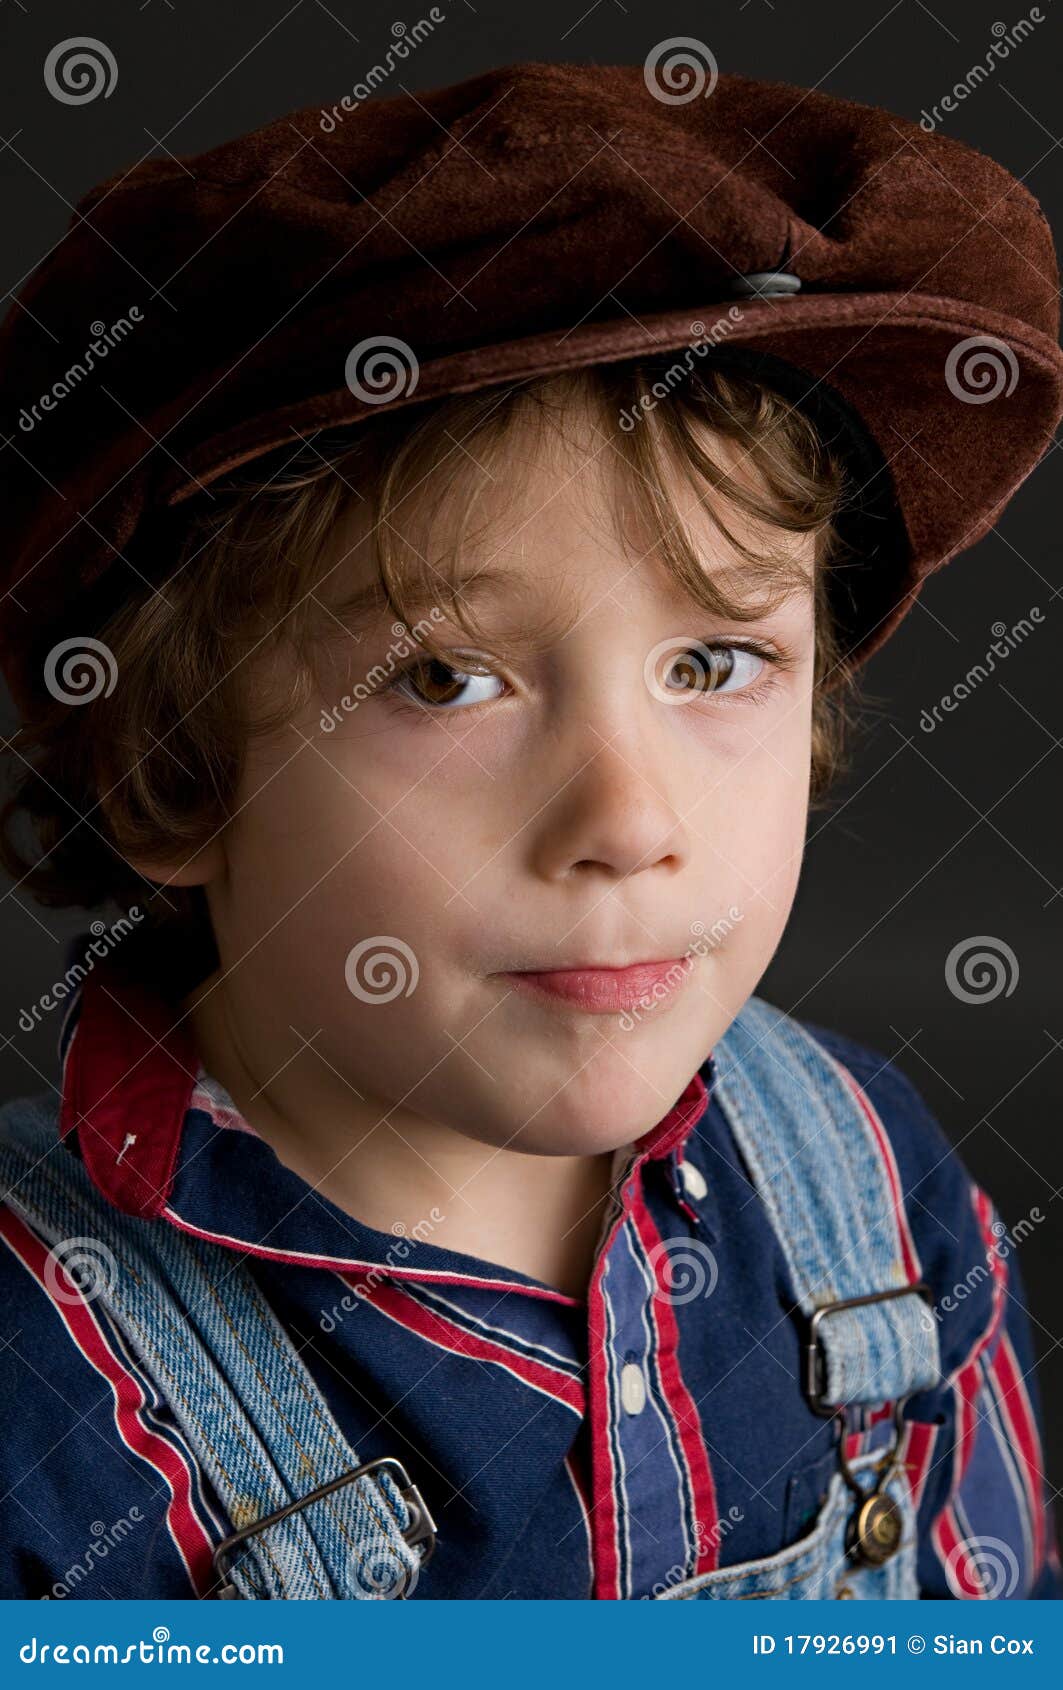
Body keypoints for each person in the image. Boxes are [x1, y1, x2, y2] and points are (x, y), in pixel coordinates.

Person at [0, 59, 1059, 1602]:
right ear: (176, 765)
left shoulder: (874, 1188)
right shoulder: (51, 1392)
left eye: (713, 662)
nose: (628, 822)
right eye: (447, 677)